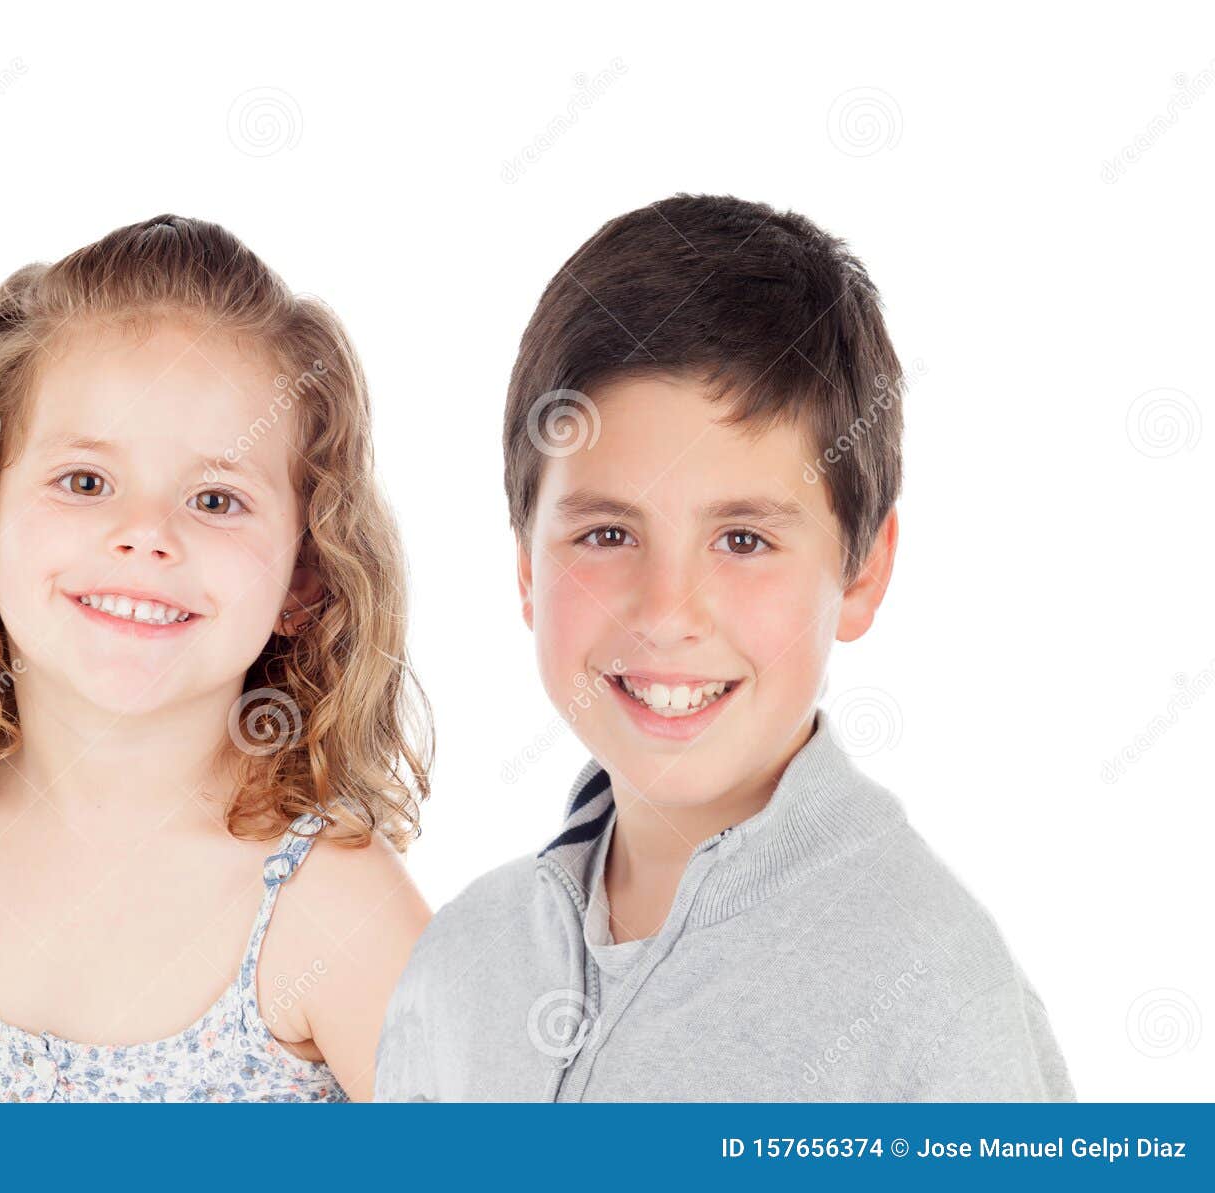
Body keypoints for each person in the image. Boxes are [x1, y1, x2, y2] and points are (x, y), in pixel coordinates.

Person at [374, 193, 1075, 1102]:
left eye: (743, 539)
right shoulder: (461, 965)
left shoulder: (933, 998)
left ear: (861, 571)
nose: (668, 613)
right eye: (607, 535)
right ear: (525, 569)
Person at [0, 215, 431, 1102]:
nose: (146, 535)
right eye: (86, 482)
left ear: (306, 579)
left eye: (215, 498)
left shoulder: (336, 912)